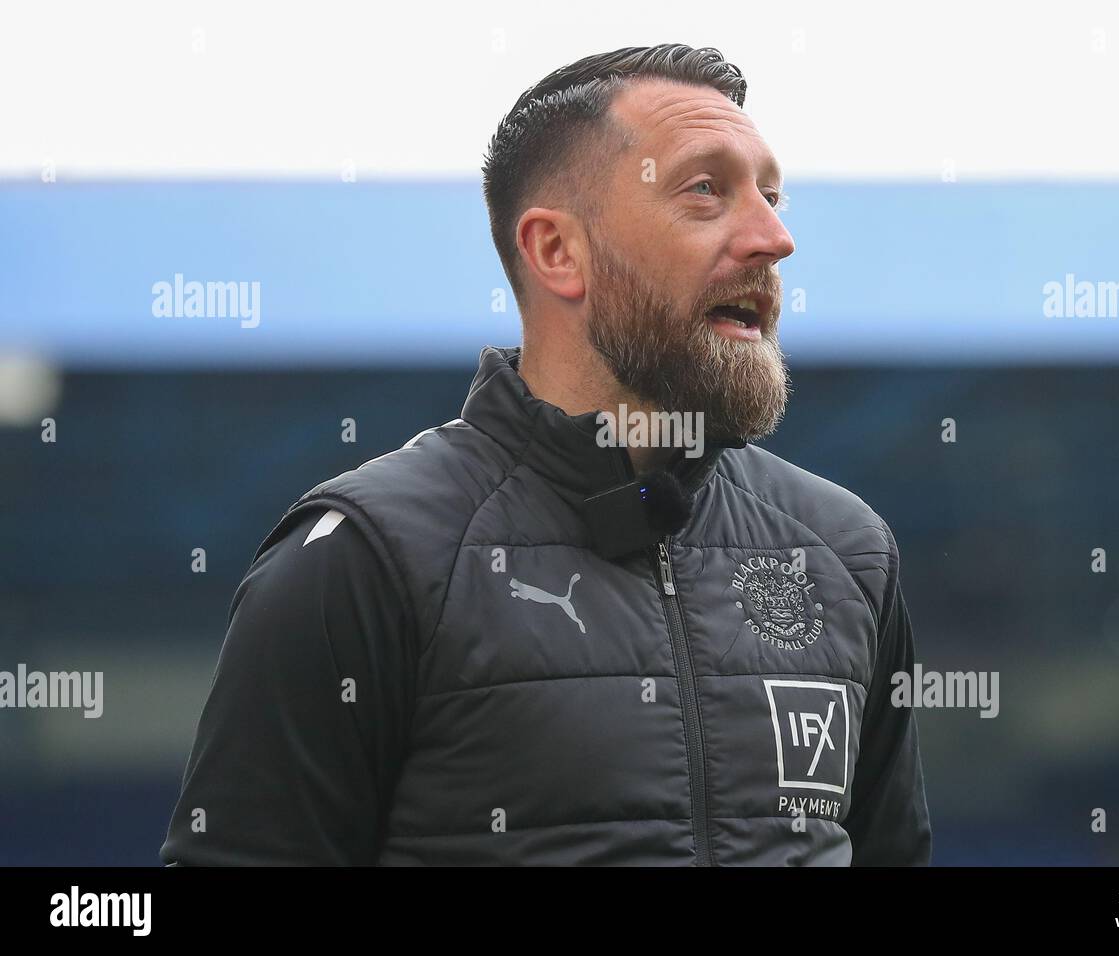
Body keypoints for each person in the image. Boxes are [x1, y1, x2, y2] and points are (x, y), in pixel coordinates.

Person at [161, 43, 931, 866]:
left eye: (771, 197)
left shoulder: (845, 552)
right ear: (558, 252)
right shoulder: (366, 557)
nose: (774, 239)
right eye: (706, 190)